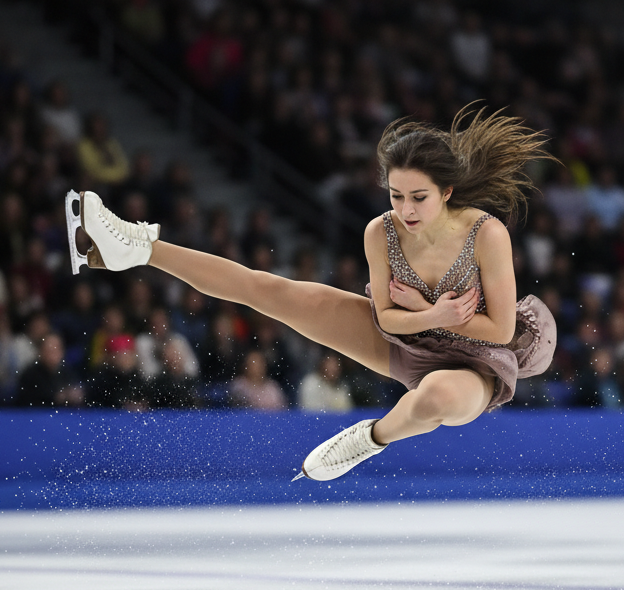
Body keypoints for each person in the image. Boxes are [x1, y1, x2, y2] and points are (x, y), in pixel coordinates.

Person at [72, 105, 556, 481]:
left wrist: (431, 312)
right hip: (407, 338)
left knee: (434, 400)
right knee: (266, 289)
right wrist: (429, 316)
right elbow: (388, 319)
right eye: (396, 195)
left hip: (475, 359)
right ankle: (137, 247)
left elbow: (500, 330)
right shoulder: (381, 231)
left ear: (447, 192)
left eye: (418, 197)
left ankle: (369, 438)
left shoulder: (486, 233)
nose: (406, 210)